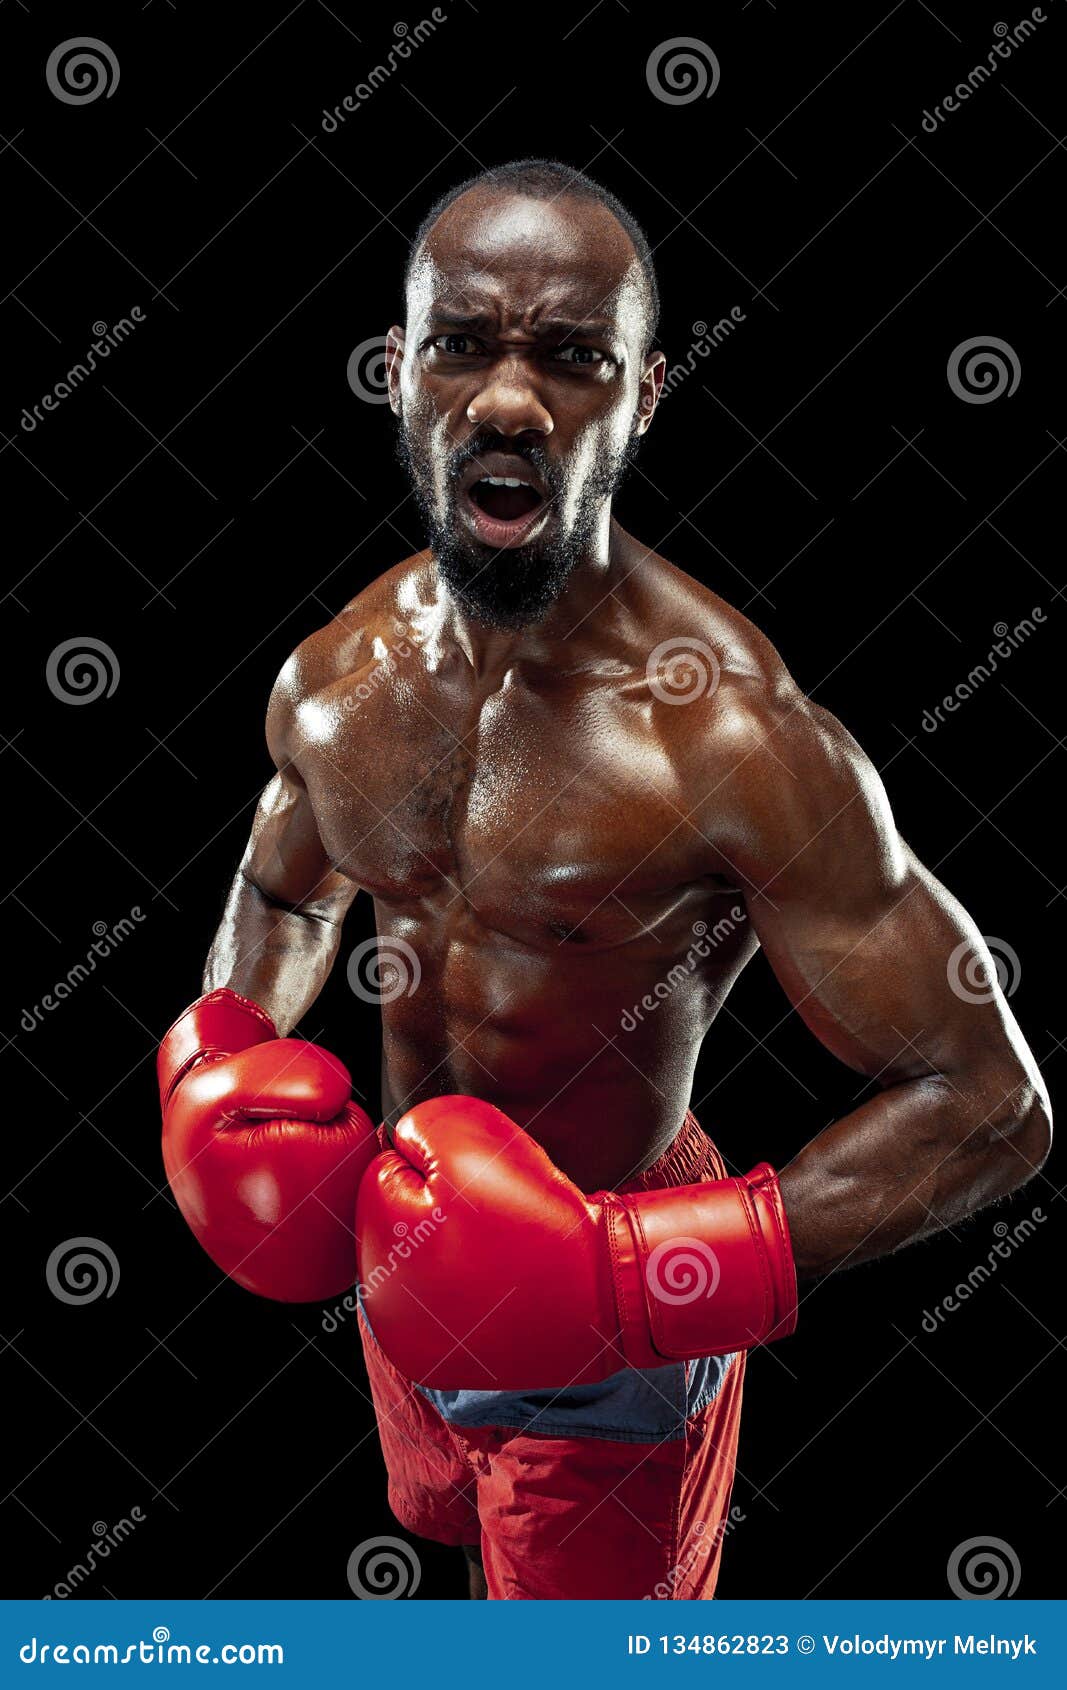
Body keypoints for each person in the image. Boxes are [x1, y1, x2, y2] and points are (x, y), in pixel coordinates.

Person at [158, 159, 1051, 1600]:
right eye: (463, 343)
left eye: (572, 359)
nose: (509, 401)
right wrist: (221, 1064)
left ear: (640, 399)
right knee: (457, 1563)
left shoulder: (731, 736)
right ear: (400, 372)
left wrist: (640, 1278)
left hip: (615, 1336)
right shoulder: (336, 681)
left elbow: (994, 1105)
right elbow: (284, 894)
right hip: (407, 1272)